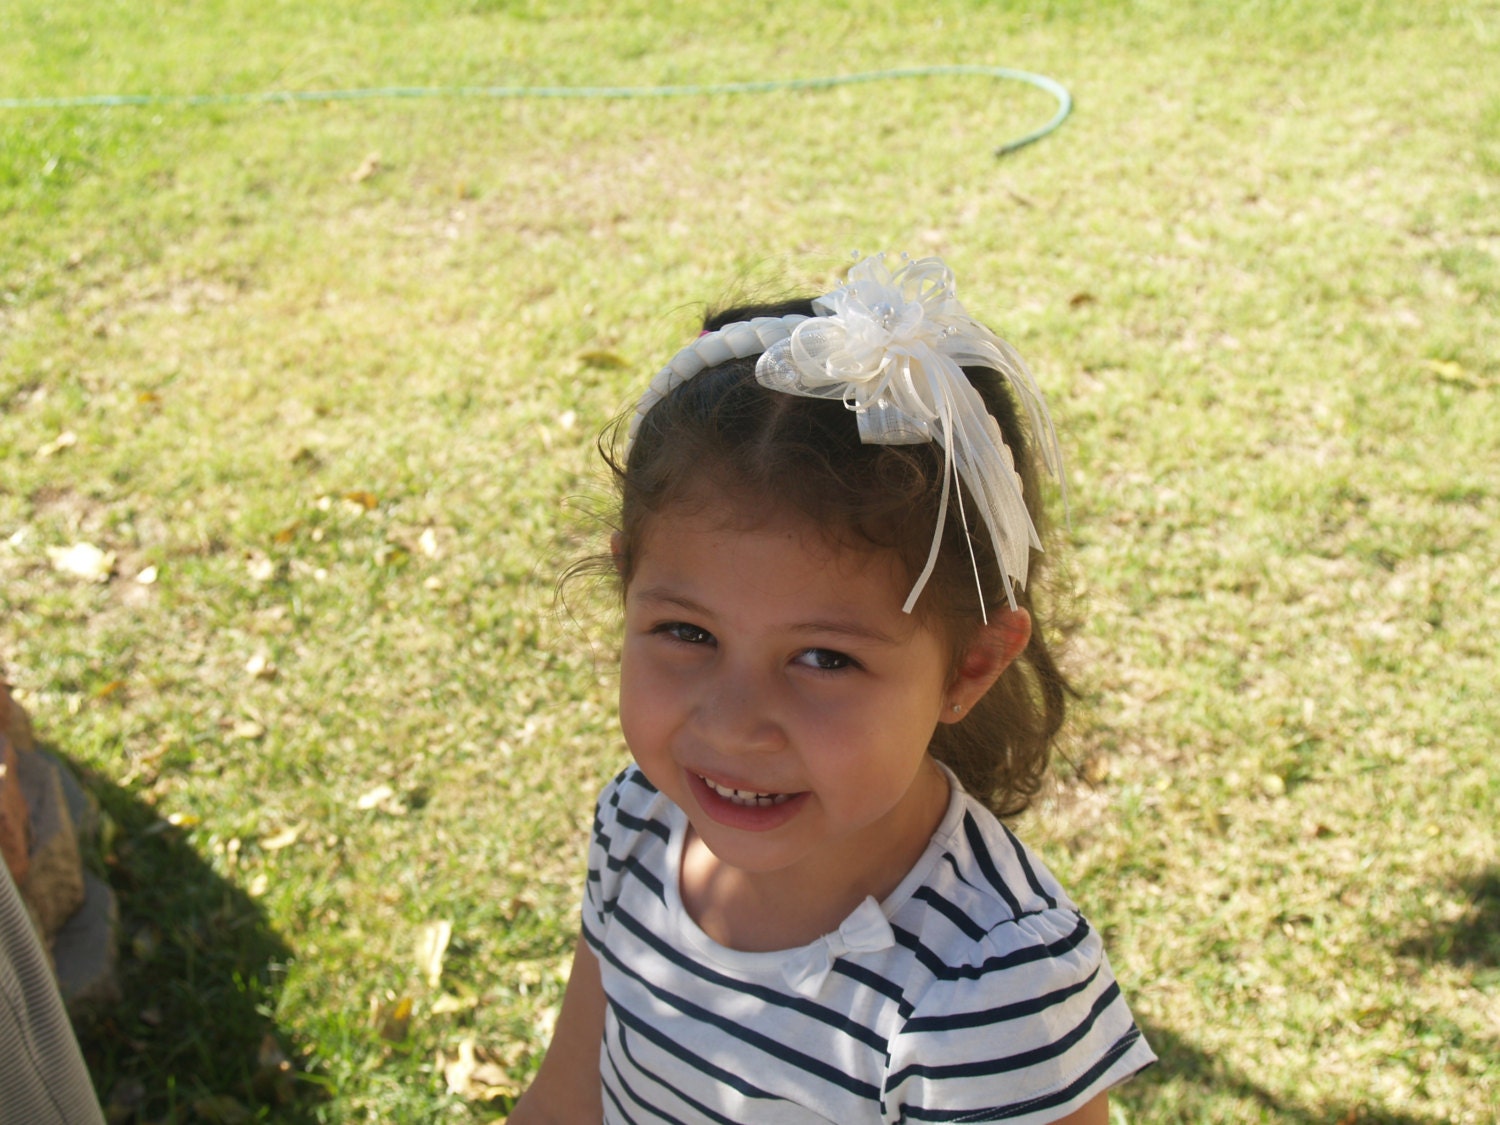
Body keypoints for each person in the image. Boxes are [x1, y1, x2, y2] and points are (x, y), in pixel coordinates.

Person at [512, 253, 1155, 1123]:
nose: (735, 725)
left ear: (970, 665)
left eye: (823, 658)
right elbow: (565, 1100)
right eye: (689, 633)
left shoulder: (990, 992)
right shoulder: (639, 822)